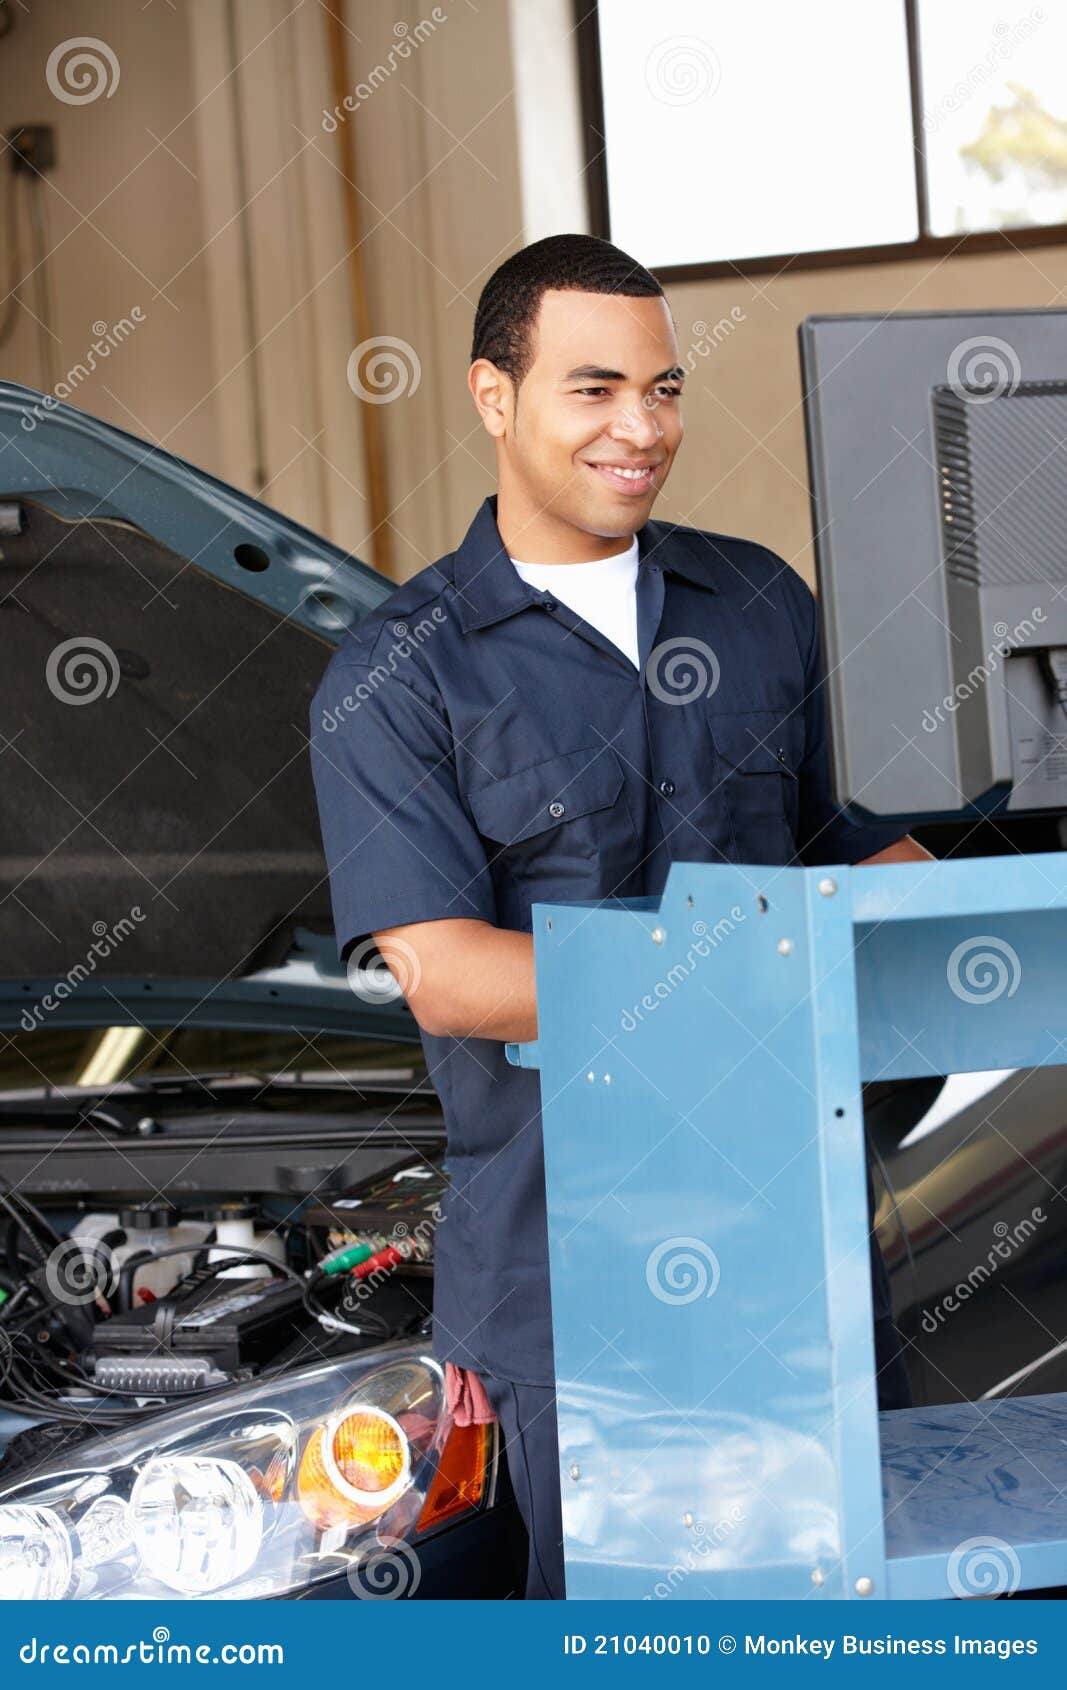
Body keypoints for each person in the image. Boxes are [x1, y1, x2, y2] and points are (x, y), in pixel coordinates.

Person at [309, 233, 932, 1600]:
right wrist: (760, 976)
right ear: (492, 395)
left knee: (853, 1619)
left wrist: (963, 928)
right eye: (594, 390)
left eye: (663, 389)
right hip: (568, 1285)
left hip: (799, 1246)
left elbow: (857, 844)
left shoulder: (759, 600)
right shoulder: (400, 676)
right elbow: (452, 975)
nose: (641, 428)